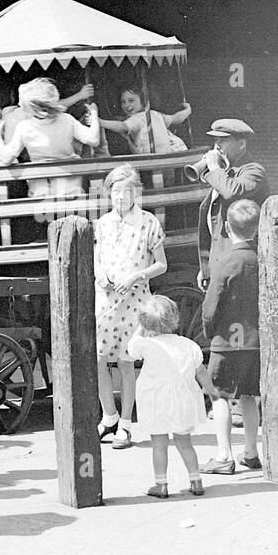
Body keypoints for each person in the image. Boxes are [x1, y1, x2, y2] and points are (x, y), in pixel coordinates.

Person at [93, 165, 166, 450]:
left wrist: (138, 276)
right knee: (99, 359)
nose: (121, 197)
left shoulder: (148, 223)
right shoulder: (102, 223)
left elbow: (162, 264)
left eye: (127, 191)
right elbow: (97, 258)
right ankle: (108, 416)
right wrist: (101, 274)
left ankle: (125, 423)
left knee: (125, 362)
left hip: (133, 301)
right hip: (106, 300)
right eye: (115, 191)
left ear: (136, 192)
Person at [127, 294, 213, 499]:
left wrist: (141, 326)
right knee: (185, 442)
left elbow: (132, 348)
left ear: (146, 323)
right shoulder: (187, 344)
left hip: (157, 401)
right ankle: (196, 480)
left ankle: (161, 484)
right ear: (175, 319)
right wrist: (209, 388)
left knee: (159, 444)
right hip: (182, 401)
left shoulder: (147, 345)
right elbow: (200, 371)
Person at [199, 199, 262, 475]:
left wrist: (208, 330)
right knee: (249, 396)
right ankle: (251, 451)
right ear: (257, 229)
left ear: (226, 226)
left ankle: (224, 455)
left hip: (226, 342)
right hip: (254, 342)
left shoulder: (226, 263)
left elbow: (212, 305)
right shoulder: (261, 260)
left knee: (219, 397)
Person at [192, 119, 270, 290]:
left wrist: (213, 167)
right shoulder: (223, 172)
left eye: (223, 140)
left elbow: (232, 191)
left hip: (240, 265)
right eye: (215, 140)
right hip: (221, 262)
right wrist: (206, 268)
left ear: (241, 144)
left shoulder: (253, 170)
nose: (217, 146)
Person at [3, 78, 102, 199]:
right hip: (69, 182)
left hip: (41, 187)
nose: (19, 105)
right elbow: (94, 140)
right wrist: (94, 114)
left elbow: (7, 159)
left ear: (33, 106)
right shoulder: (67, 119)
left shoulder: (23, 127)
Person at [97, 86, 191, 155]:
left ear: (143, 100)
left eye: (131, 101)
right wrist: (188, 111)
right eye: (123, 102)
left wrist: (100, 122)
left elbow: (123, 127)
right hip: (171, 155)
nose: (126, 105)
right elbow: (176, 118)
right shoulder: (155, 114)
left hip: (154, 160)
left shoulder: (138, 118)